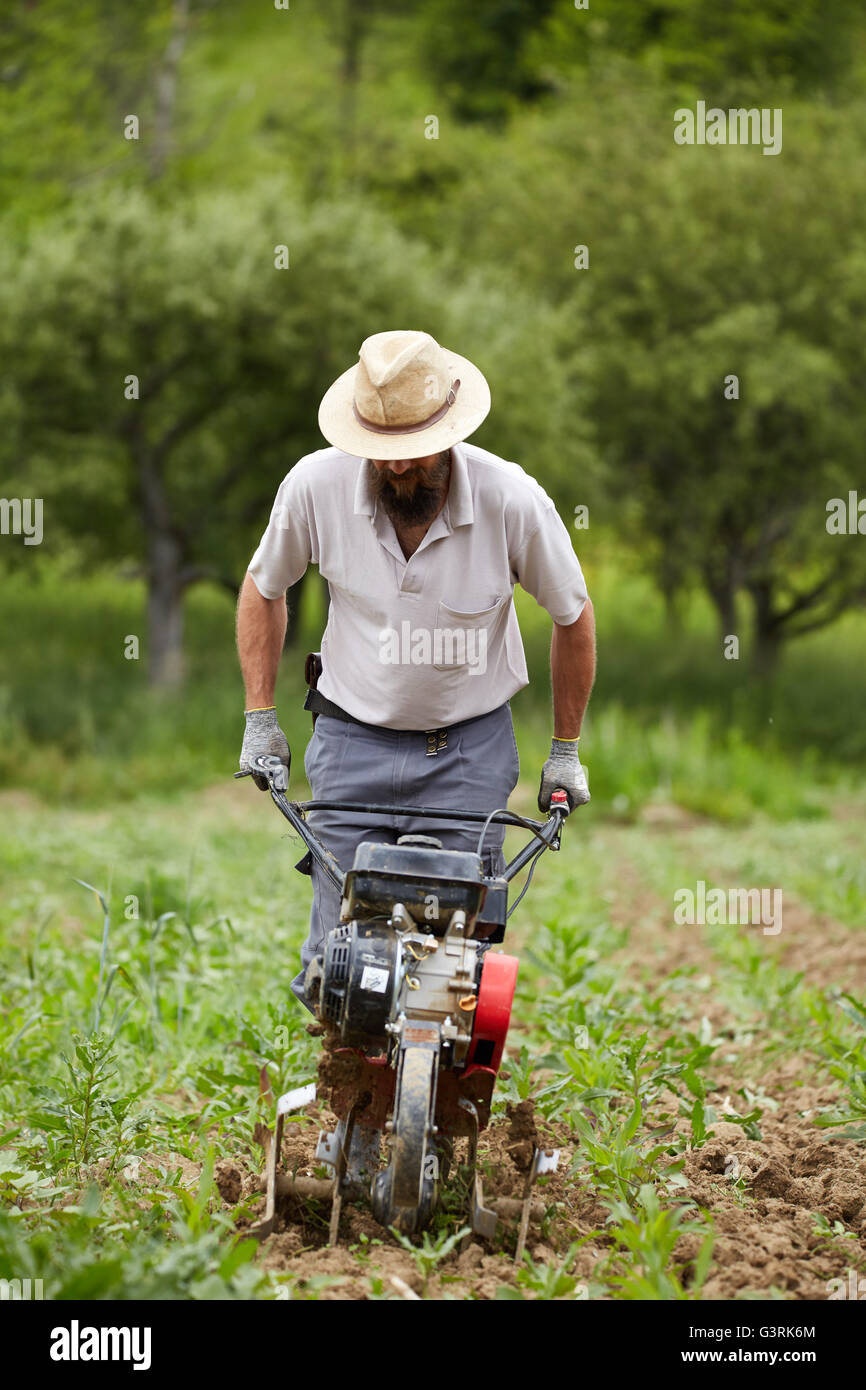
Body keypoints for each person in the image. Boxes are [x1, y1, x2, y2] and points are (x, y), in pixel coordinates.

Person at [236, 329, 596, 1010]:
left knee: (452, 975)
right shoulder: (315, 485)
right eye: (383, 455)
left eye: (413, 455)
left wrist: (565, 751)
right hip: (351, 745)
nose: (399, 470)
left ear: (450, 430)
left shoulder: (510, 499)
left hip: (467, 752)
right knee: (335, 967)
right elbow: (263, 587)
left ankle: (435, 1095)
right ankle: (351, 1088)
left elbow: (573, 615)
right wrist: (260, 718)